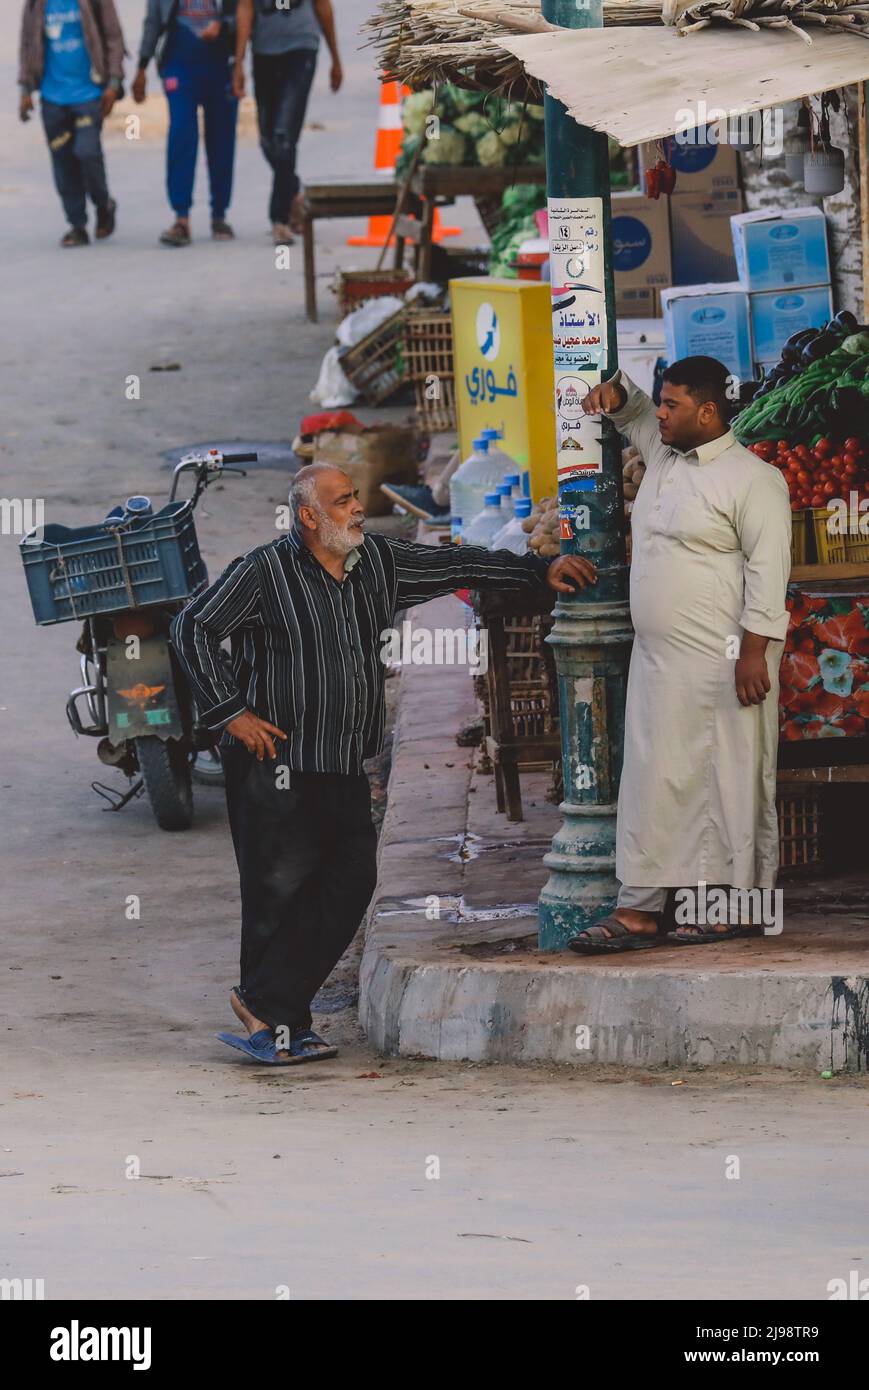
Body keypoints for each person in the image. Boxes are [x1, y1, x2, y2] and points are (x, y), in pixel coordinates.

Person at [171, 464, 594, 1063]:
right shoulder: (264, 571)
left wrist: (537, 571)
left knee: (350, 879)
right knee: (277, 894)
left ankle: (265, 1003)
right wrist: (230, 712)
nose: (356, 510)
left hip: (343, 757)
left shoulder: (378, 563)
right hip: (275, 762)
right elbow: (192, 627)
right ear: (309, 517)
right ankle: (279, 1024)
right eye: (342, 502)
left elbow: (460, 565)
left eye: (355, 499)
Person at [568, 356, 792, 954]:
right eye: (662, 403)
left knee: (729, 782)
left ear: (709, 410)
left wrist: (753, 654)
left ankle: (732, 907)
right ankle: (640, 910)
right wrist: (616, 395)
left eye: (674, 405)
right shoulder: (663, 451)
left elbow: (770, 577)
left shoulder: (754, 480)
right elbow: (635, 409)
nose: (661, 414)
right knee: (654, 781)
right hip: (658, 662)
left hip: (726, 662)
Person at [233, 0, 341, 246]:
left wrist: (335, 58)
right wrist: (238, 63)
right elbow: (245, 7)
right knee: (267, 140)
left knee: (284, 137)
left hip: (301, 47)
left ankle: (279, 220)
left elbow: (323, 6)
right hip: (264, 51)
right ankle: (293, 193)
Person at [18, 0, 124, 247]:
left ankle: (103, 204)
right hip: (52, 98)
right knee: (63, 160)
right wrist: (25, 89)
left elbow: (113, 36)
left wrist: (114, 83)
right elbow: (27, 43)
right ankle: (77, 225)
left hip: (88, 94)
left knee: (87, 152)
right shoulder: (36, 4)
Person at [133, 1, 238, 246]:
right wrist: (142, 66)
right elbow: (153, 22)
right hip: (179, 61)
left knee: (221, 138)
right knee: (181, 134)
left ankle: (219, 213)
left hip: (220, 63)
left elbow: (245, 15)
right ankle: (181, 217)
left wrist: (223, 25)